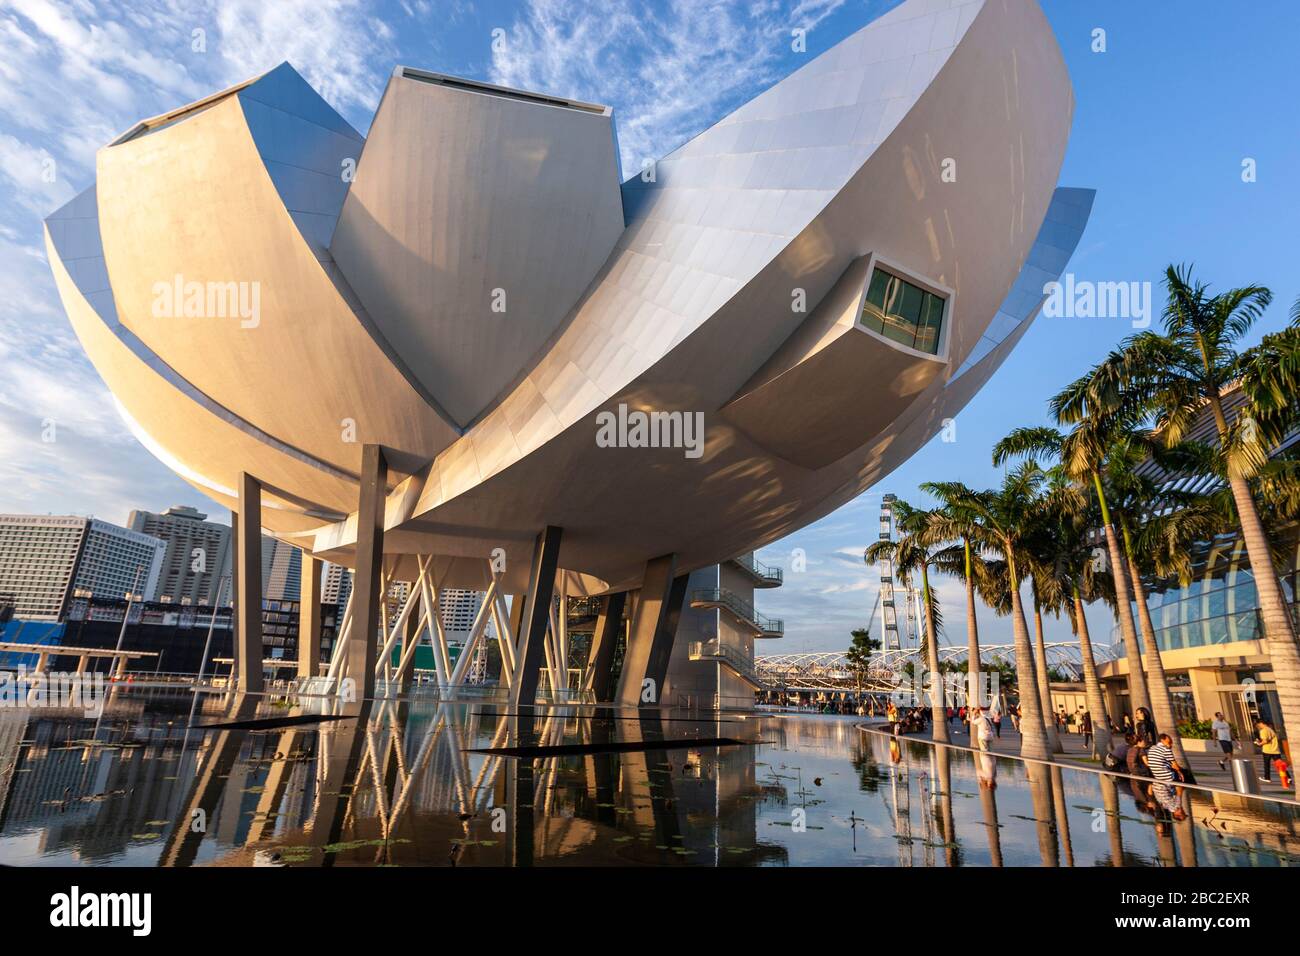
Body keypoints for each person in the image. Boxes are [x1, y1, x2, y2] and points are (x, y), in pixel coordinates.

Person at [1146, 733, 1189, 820]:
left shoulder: (1152, 748)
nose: (1171, 744)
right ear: (1162, 740)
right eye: (1169, 742)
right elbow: (1174, 764)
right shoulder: (1170, 806)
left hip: (1157, 775)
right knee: (1183, 778)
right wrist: (1180, 775)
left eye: (1183, 812)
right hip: (1161, 781)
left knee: (1181, 778)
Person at [1255, 719, 1282, 783]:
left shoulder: (1263, 731)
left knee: (1266, 765)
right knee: (1280, 765)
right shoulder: (1270, 729)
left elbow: (1265, 741)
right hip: (1275, 750)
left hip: (1267, 751)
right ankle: (1288, 777)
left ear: (1261, 723)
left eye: (1258, 724)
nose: (1258, 726)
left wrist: (1258, 744)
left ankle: (1267, 778)